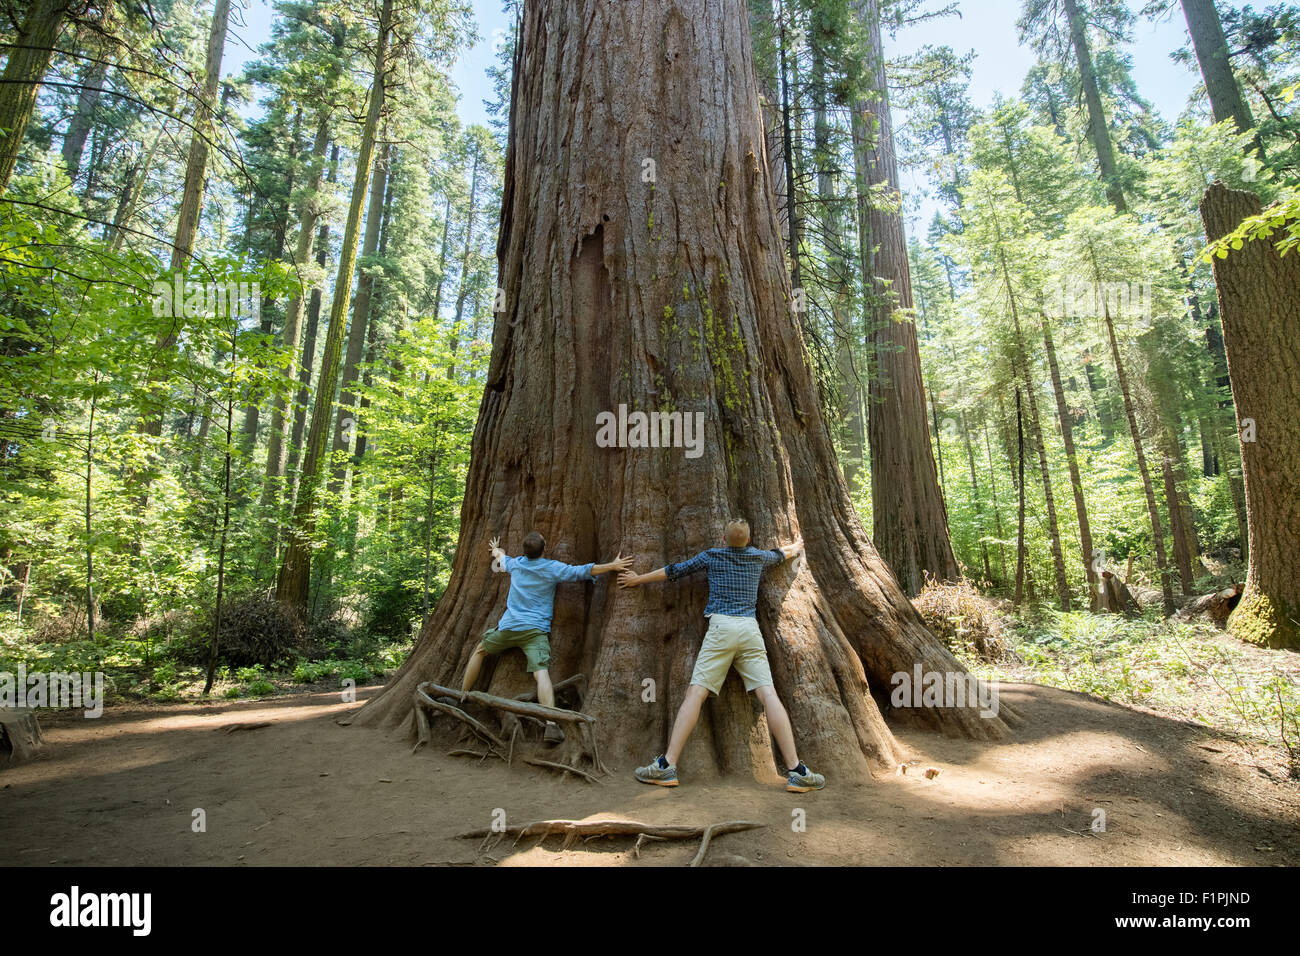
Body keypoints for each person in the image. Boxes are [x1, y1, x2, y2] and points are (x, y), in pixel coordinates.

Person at [619, 518, 826, 792]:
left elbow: (674, 571)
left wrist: (638, 579)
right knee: (768, 695)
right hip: (749, 630)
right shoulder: (758, 557)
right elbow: (780, 555)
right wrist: (797, 546)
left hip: (721, 628)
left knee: (696, 693)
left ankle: (667, 766)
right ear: (749, 540)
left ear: (724, 538)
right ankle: (796, 770)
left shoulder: (712, 555)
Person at [461, 531, 629, 745]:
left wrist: (495, 549)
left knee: (480, 651)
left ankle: (463, 695)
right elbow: (582, 571)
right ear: (545, 547)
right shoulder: (551, 568)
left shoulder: (516, 565)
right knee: (541, 674)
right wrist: (612, 566)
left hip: (509, 628)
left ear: (524, 550)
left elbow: (501, 558)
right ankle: (551, 725)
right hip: (535, 631)